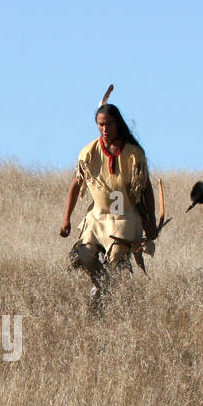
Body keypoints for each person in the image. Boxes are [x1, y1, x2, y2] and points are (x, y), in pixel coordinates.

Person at [60, 95, 157, 301]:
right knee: (84, 256)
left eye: (109, 124)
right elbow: (76, 186)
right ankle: (103, 288)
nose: (104, 129)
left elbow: (146, 188)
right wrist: (66, 219)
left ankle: (107, 297)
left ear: (118, 124)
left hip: (125, 216)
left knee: (116, 260)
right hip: (97, 217)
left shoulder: (134, 154)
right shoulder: (88, 153)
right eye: (100, 124)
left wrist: (151, 221)